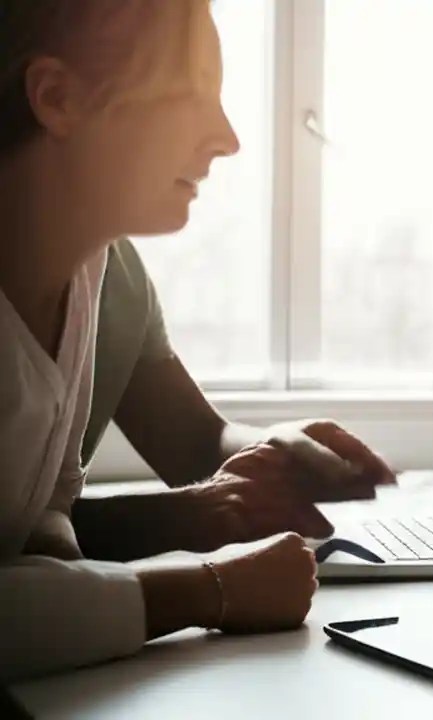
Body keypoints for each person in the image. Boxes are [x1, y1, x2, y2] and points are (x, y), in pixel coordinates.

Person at [0, 0, 322, 680]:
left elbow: (45, 522)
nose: (227, 138)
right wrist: (210, 591)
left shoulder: (85, 270)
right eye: (192, 92)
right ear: (58, 98)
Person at [70, 237, 396, 563]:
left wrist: (277, 445)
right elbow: (37, 528)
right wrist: (185, 512)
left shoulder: (120, 268)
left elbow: (198, 443)